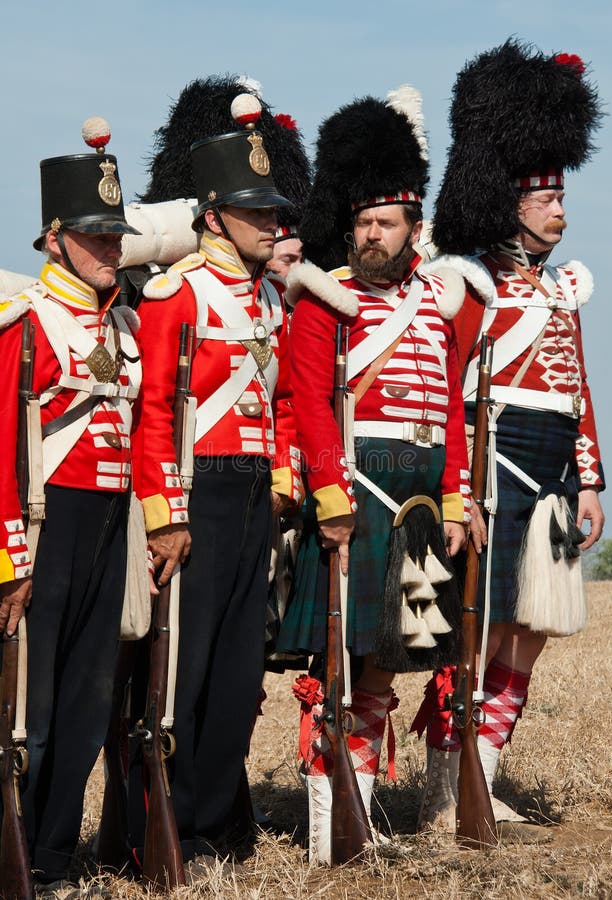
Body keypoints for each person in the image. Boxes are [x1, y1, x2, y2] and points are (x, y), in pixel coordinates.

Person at [413, 39, 605, 835]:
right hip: (493, 455)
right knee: (479, 622)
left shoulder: (564, 286)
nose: (561, 210)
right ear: (513, 204)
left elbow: (578, 389)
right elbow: (448, 391)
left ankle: (482, 779)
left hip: (553, 460)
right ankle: (442, 789)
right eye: (547, 201)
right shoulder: (471, 281)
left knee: (531, 631)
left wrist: (590, 480)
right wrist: (459, 490)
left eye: (561, 199)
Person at [275, 86, 471, 863]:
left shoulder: (439, 301)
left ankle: (365, 816)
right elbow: (310, 404)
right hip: (358, 489)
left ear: (412, 227)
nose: (369, 234)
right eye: (361, 222)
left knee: (391, 665)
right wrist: (330, 495)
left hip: (422, 497)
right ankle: (333, 835)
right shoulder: (325, 297)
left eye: (384, 223)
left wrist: (455, 499)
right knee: (341, 664)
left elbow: (454, 410)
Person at [130, 89, 301, 872]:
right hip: (195, 492)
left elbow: (288, 399)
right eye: (255, 212)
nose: (272, 223)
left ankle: (213, 816)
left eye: (273, 212)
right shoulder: (176, 294)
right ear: (213, 218)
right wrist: (166, 513)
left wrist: (287, 477)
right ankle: (171, 830)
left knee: (237, 673)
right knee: (183, 672)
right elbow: (155, 408)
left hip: (254, 494)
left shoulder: (270, 299)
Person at [0, 118, 141, 897]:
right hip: (45, 525)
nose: (111, 247)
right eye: (95, 235)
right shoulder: (23, 324)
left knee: (88, 711)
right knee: (33, 712)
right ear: (55, 239)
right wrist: (12, 562)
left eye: (116, 234)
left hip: (110, 525)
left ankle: (52, 857)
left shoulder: (124, 324)